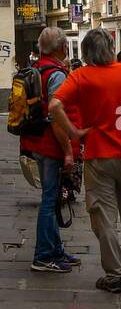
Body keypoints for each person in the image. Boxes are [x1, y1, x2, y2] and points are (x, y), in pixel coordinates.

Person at [49, 28, 121, 293]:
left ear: (86, 52)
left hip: (98, 157)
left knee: (104, 217)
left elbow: (54, 106)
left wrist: (74, 132)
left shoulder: (81, 76)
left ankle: (114, 274)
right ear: (111, 48)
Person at [23, 27, 82, 275]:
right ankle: (44, 255)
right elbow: (56, 116)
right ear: (61, 48)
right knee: (50, 199)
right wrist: (68, 151)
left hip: (36, 141)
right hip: (51, 145)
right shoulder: (56, 74)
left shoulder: (37, 69)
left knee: (54, 197)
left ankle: (54, 249)